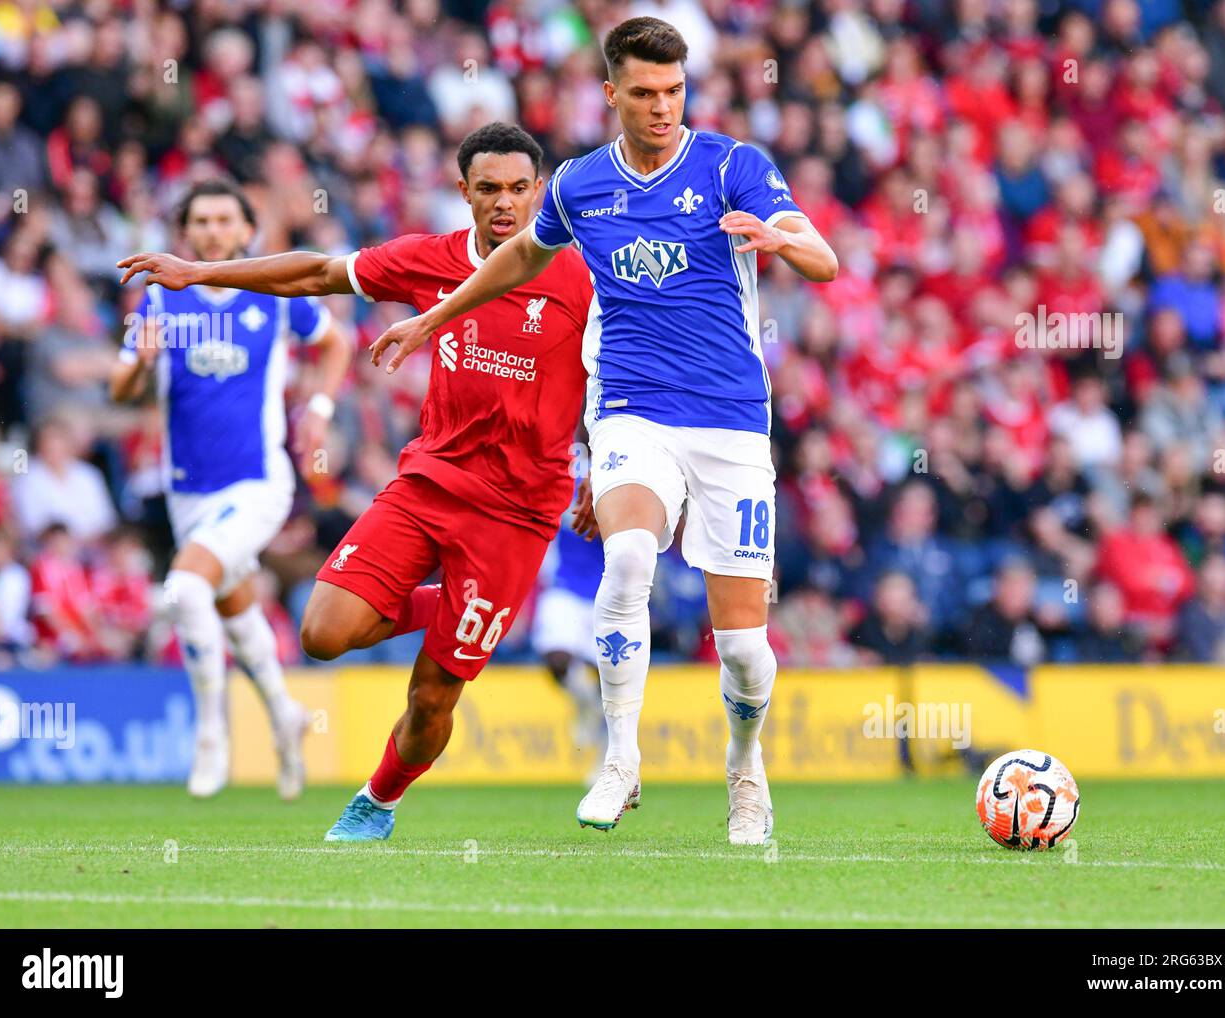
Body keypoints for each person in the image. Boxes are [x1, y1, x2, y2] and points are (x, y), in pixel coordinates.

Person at [365, 18, 838, 844]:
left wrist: (781, 242)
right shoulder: (581, 184)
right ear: (611, 93)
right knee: (624, 558)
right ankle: (621, 758)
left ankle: (745, 765)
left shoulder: (733, 167)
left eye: (676, 91)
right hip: (631, 409)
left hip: (729, 420)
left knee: (742, 648)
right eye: (646, 93)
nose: (663, 108)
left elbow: (823, 258)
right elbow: (516, 260)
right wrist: (430, 319)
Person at [118, 124, 596, 841]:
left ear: (540, 189)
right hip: (430, 481)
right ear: (463, 191)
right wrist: (202, 272)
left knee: (432, 702)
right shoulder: (431, 258)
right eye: (489, 189)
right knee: (322, 632)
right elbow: (315, 273)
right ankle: (457, 610)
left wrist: (602, 468)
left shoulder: (579, 274)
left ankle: (378, 800)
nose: (505, 204)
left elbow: (618, 377)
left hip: (518, 513)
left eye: (519, 188)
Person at [111, 179, 352, 800]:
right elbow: (119, 389)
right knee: (228, 599)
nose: (214, 231)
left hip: (258, 483)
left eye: (225, 220)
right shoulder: (161, 303)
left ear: (248, 232)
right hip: (187, 490)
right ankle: (285, 715)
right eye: (201, 222)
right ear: (184, 235)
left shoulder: (272, 298)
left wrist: (320, 407)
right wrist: (138, 363)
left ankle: (211, 736)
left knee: (186, 586)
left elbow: (337, 342)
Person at [531, 479, 607, 767]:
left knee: (609, 677)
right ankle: (585, 703)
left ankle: (604, 762)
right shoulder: (561, 482)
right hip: (565, 586)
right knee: (556, 658)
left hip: (606, 592)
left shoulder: (619, 484)